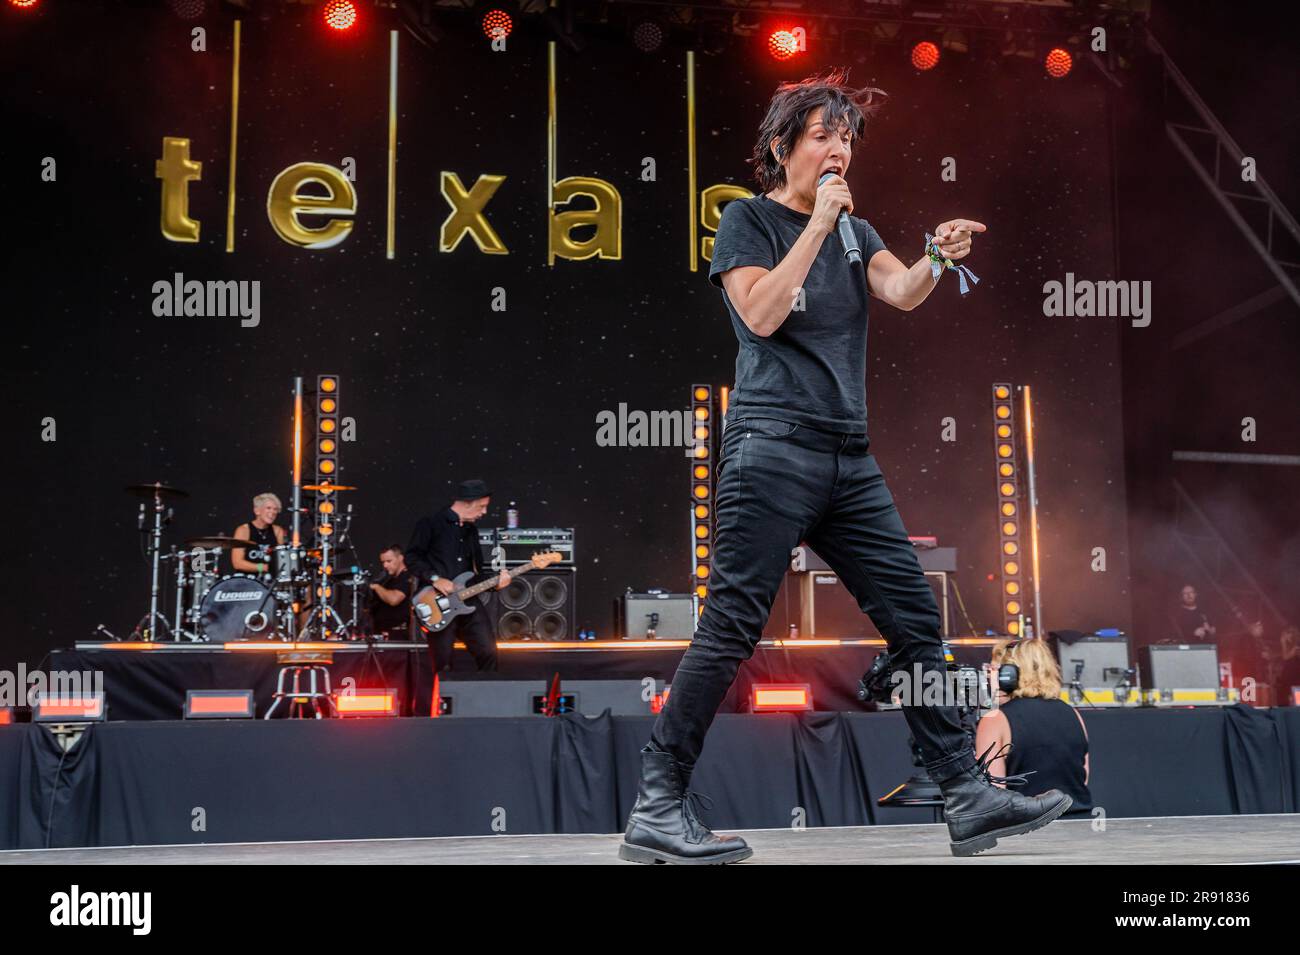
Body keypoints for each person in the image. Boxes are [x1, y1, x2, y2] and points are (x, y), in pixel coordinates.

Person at [619, 70, 1070, 864]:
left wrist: (933, 254)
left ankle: (963, 792)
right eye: (824, 134)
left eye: (848, 138)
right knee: (730, 626)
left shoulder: (859, 234)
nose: (840, 150)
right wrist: (818, 226)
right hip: (769, 448)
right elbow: (759, 313)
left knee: (917, 617)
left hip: (847, 457)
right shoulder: (747, 221)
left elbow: (900, 291)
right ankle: (658, 803)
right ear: (782, 146)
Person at [977, 639, 1092, 818]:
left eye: (994, 670)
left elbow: (993, 797)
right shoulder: (1073, 714)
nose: (989, 677)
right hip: (1080, 825)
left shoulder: (995, 720)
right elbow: (1082, 778)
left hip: (1027, 833)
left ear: (1008, 675)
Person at [405, 479, 510, 672]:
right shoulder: (431, 523)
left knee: (488, 652)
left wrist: (496, 582)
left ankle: (486, 698)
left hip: (468, 600)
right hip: (437, 603)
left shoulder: (471, 531)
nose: (484, 512)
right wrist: (435, 579)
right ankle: (444, 700)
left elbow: (476, 572)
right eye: (482, 506)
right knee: (443, 661)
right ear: (468, 503)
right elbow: (411, 558)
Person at [231, 492, 286, 576]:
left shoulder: (278, 531)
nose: (273, 512)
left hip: (270, 581)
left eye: (275, 509)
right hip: (247, 581)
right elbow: (237, 563)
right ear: (257, 511)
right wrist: (262, 567)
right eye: (268, 508)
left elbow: (282, 558)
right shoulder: (243, 530)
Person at [368, 545, 416, 638]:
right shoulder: (388, 580)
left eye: (389, 561)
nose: (385, 565)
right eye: (383, 562)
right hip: (382, 633)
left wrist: (377, 587)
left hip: (400, 634)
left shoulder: (408, 576)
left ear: (401, 558)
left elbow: (394, 599)